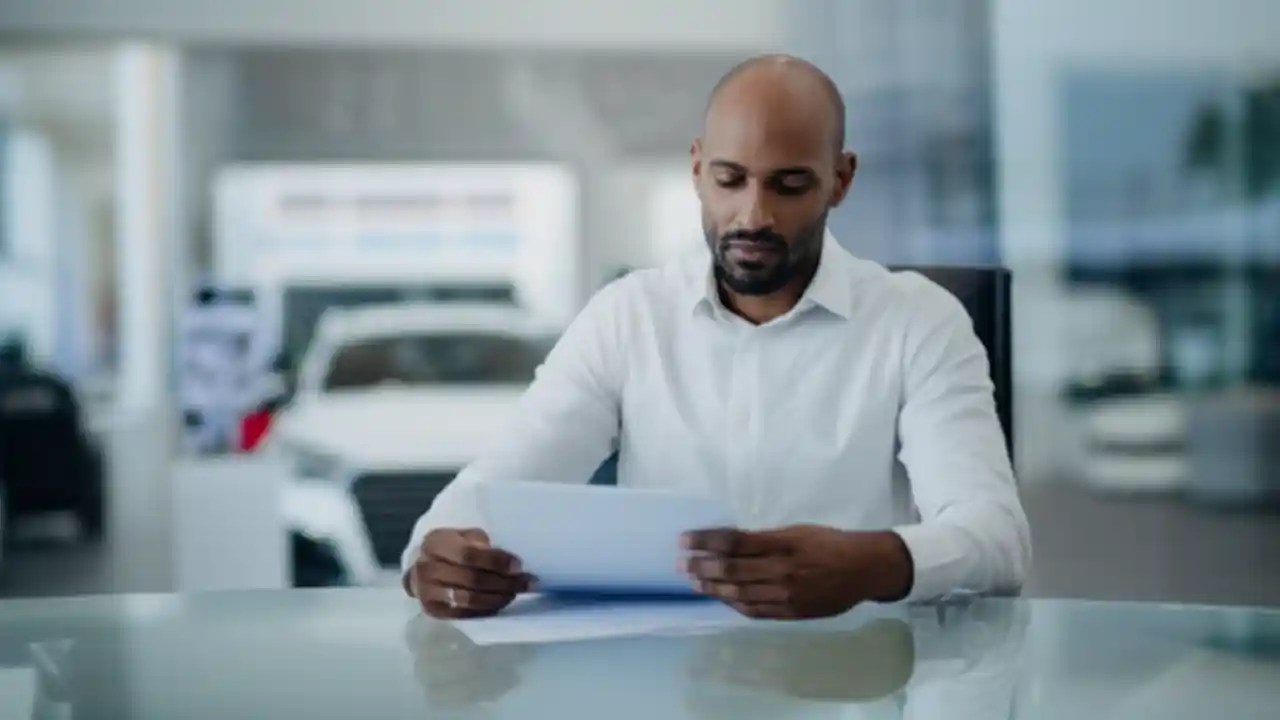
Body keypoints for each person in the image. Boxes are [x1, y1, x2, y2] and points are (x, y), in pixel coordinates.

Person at [401, 54, 1031, 620]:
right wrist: (438, 557)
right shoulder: (628, 316)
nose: (753, 215)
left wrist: (871, 564)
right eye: (731, 180)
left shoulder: (918, 320)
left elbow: (997, 540)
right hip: (660, 678)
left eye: (789, 186)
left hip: (854, 680)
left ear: (841, 181)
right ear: (697, 169)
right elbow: (485, 494)